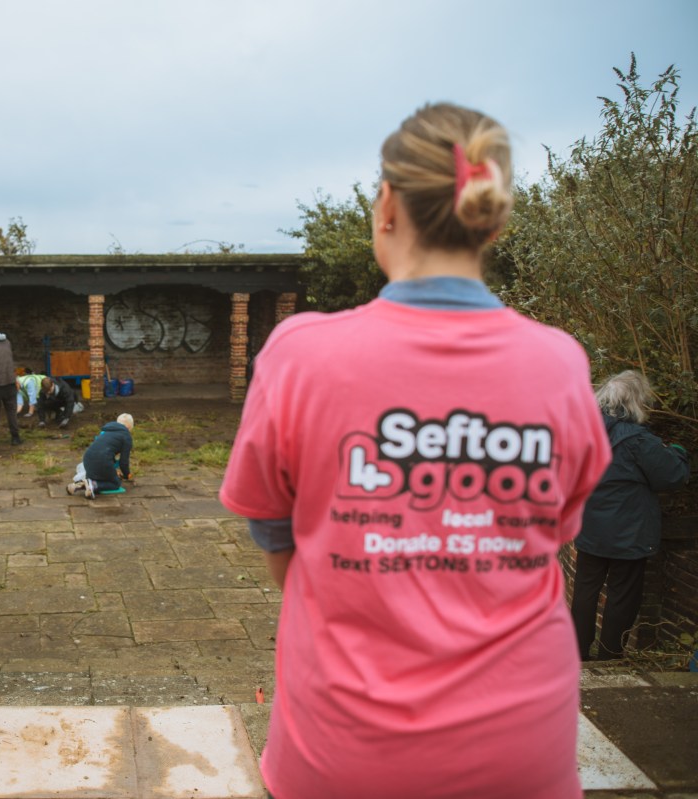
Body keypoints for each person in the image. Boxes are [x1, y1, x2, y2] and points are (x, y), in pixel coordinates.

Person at [218, 103, 612, 798]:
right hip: (521, 748)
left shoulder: (301, 355)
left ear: (388, 205)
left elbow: (272, 528)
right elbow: (554, 531)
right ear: (494, 219)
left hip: (342, 748)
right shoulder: (560, 365)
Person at [571, 370, 690, 660]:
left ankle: (577, 651)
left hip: (589, 526)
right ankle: (610, 655)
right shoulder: (638, 440)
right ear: (635, 402)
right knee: (623, 594)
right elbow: (672, 475)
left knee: (585, 590)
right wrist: (677, 450)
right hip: (628, 531)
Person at [69, 413, 134, 498]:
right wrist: (126, 474)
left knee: (98, 478)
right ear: (129, 427)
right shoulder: (126, 436)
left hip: (87, 459)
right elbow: (123, 462)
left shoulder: (106, 430)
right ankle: (92, 485)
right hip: (103, 460)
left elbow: (102, 449)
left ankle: (81, 484)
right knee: (115, 483)